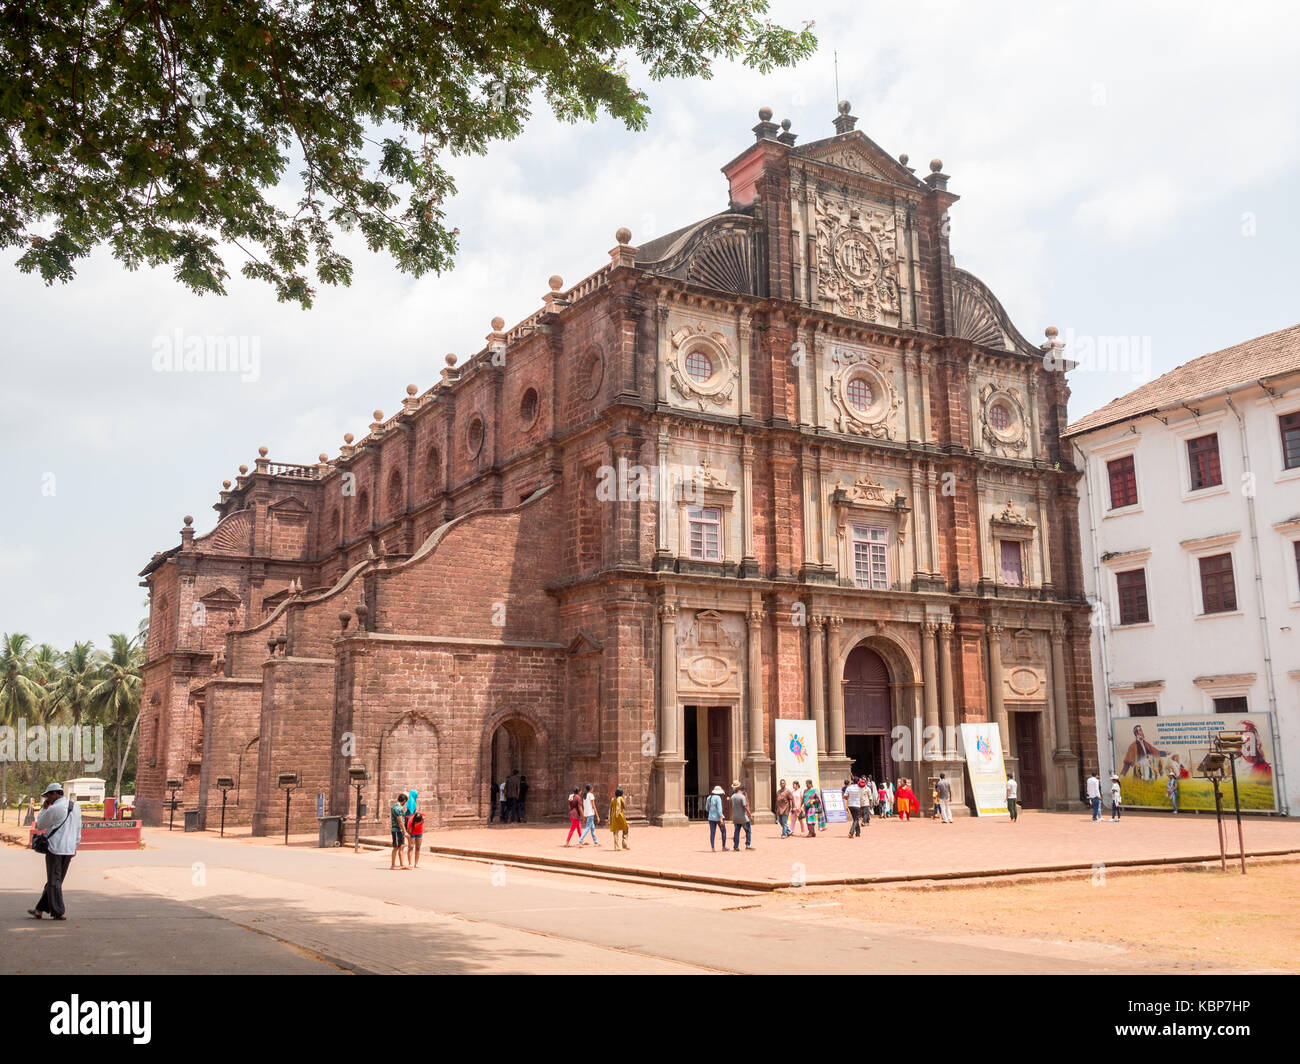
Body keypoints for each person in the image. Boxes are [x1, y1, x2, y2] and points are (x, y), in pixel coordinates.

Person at [28, 782, 82, 920]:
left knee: (54, 881)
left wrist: (44, 809)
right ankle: (39, 909)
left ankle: (59, 911)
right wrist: (75, 846)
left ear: (54, 794)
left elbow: (39, 825)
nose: (47, 799)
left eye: (48, 796)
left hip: (55, 847)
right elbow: (78, 829)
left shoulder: (54, 809)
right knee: (56, 880)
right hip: (69, 848)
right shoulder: (75, 807)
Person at [730, 781, 753, 851]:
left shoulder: (732, 797)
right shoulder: (742, 797)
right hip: (743, 817)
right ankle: (748, 845)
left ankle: (736, 846)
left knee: (737, 832)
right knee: (748, 830)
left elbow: (731, 805)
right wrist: (750, 815)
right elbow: (745, 807)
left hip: (735, 817)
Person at [389, 792, 409, 869]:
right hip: (397, 830)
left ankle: (402, 864)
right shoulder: (398, 808)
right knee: (396, 847)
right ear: (404, 800)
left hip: (399, 830)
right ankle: (393, 865)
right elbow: (400, 821)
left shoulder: (395, 806)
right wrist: (405, 832)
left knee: (401, 847)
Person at [705, 785, 728, 851]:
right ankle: (723, 846)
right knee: (723, 831)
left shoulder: (709, 797)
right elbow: (719, 809)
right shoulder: (718, 798)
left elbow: (707, 808)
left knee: (712, 832)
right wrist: (721, 818)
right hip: (718, 817)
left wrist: (711, 812)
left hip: (711, 818)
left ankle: (713, 847)